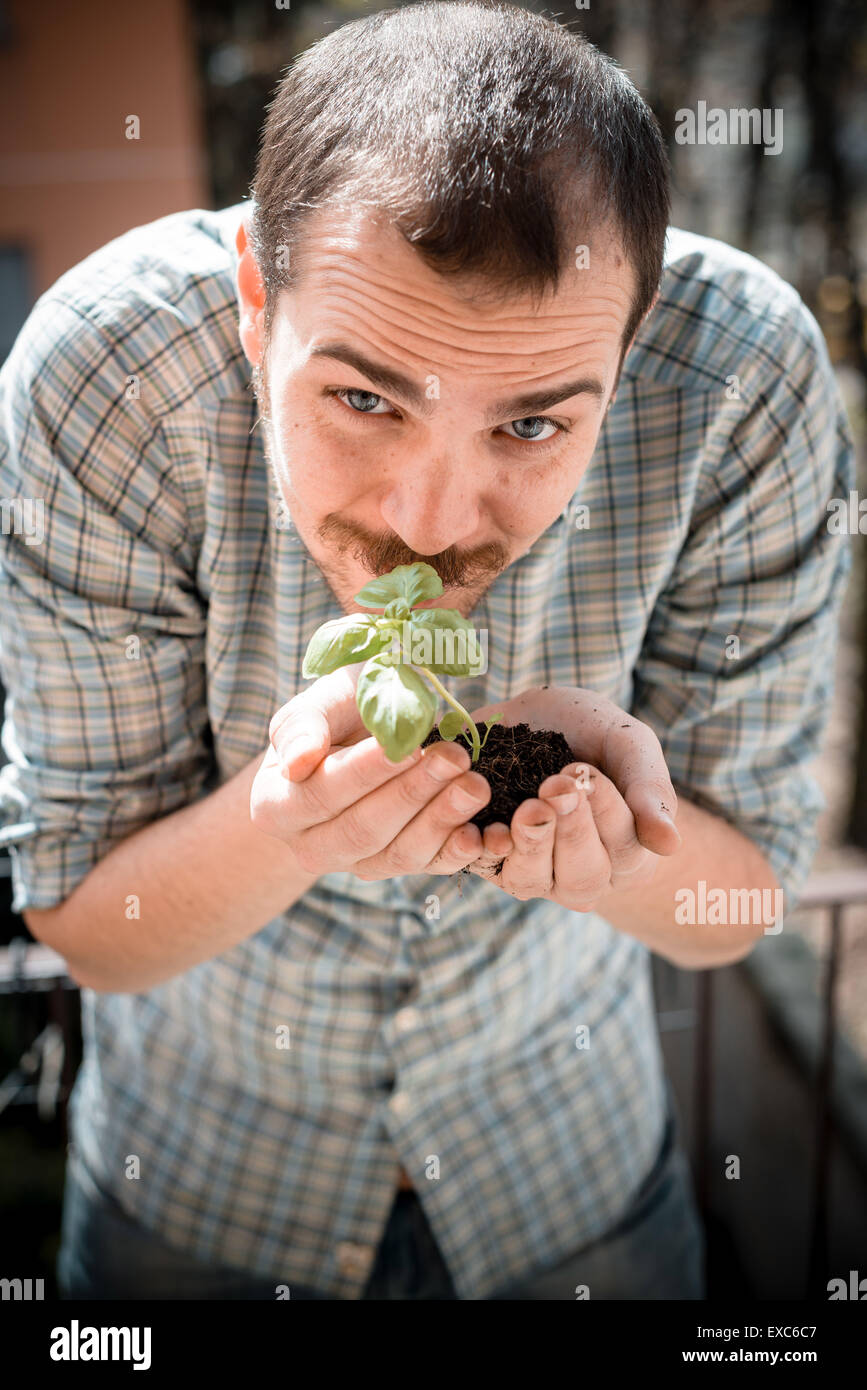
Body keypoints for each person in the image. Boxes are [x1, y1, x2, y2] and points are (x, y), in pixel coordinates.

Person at [0, 2, 853, 1300]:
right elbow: (88, 922)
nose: (428, 520)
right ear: (252, 303)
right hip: (195, 1200)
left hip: (575, 1187)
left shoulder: (746, 378)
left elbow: (738, 902)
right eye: (362, 398)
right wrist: (290, 825)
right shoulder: (102, 375)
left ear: (625, 366)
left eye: (531, 426)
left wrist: (618, 844)